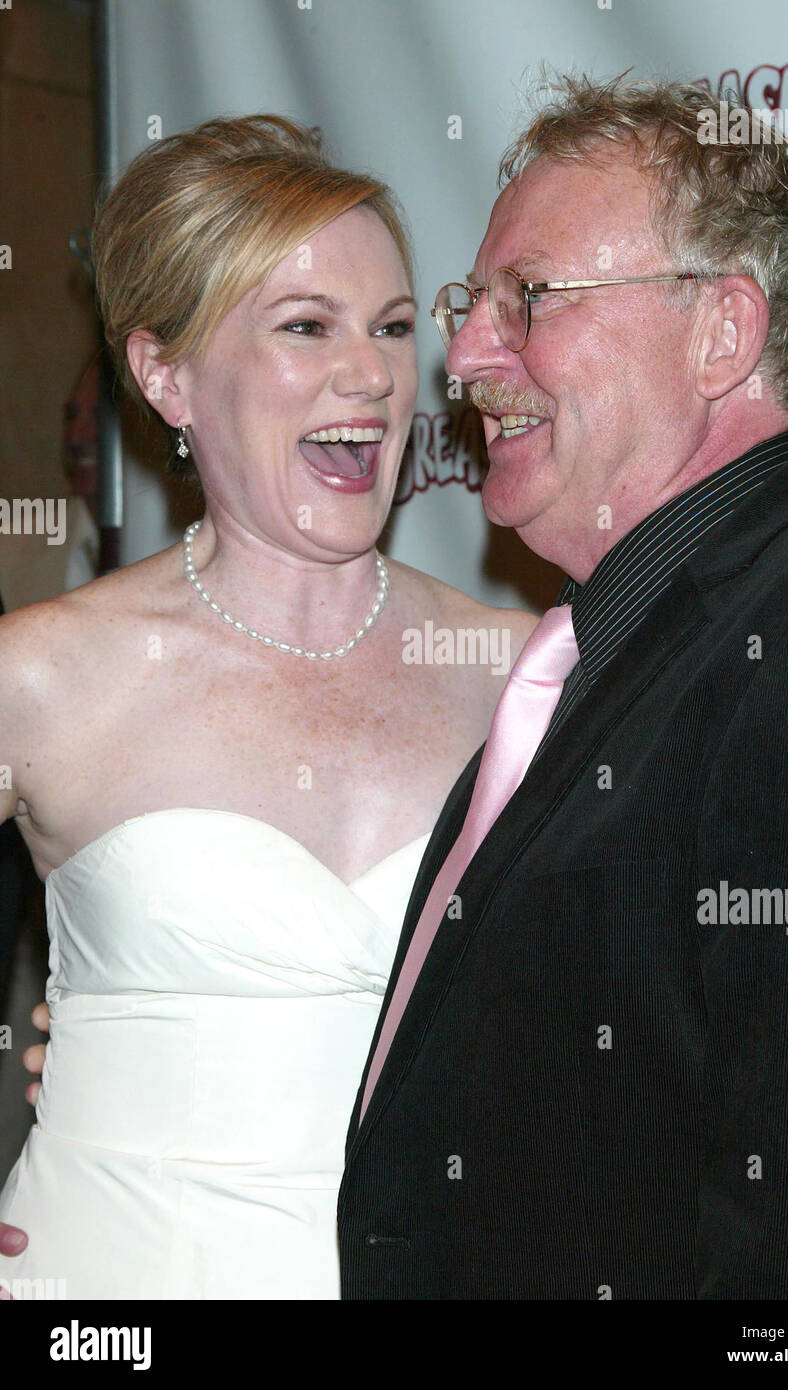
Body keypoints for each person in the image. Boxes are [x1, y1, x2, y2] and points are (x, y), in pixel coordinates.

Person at [336, 75, 788, 1298]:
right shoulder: (601, 663)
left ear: (724, 333)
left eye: (528, 299)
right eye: (471, 302)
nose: (466, 353)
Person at [0, 113, 534, 1299]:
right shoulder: (38, 674)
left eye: (395, 328)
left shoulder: (521, 672)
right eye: (307, 326)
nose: (375, 374)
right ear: (165, 374)